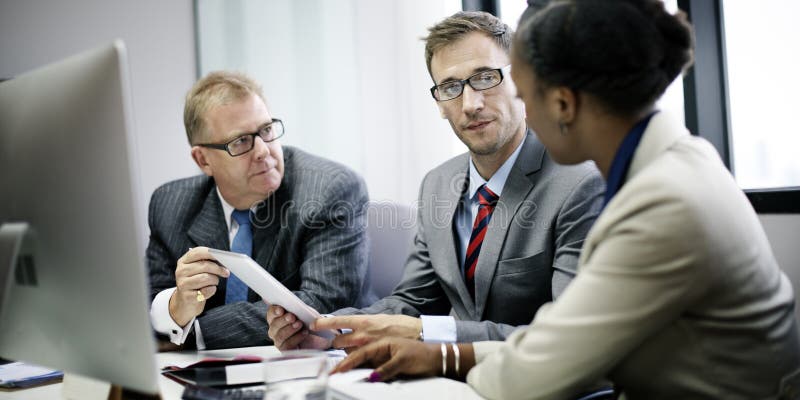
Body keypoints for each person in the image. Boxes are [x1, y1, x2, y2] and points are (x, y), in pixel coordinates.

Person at [331, 1, 800, 399]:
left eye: (522, 92)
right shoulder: (673, 165)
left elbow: (536, 369)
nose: (516, 112)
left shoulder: (663, 203)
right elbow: (560, 342)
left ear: (562, 104)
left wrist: (441, 355)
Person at [267, 11, 604, 351]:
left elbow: (569, 342)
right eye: (450, 87)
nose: (470, 104)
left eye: (486, 78)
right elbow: (414, 303)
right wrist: (329, 331)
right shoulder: (438, 184)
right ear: (440, 103)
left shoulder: (579, 183)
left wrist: (431, 334)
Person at [147, 71, 372, 350]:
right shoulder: (170, 204)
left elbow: (319, 307)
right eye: (240, 141)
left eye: (266, 130)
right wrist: (176, 306)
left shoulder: (329, 190)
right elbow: (147, 306)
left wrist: (189, 330)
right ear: (203, 160)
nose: (263, 151)